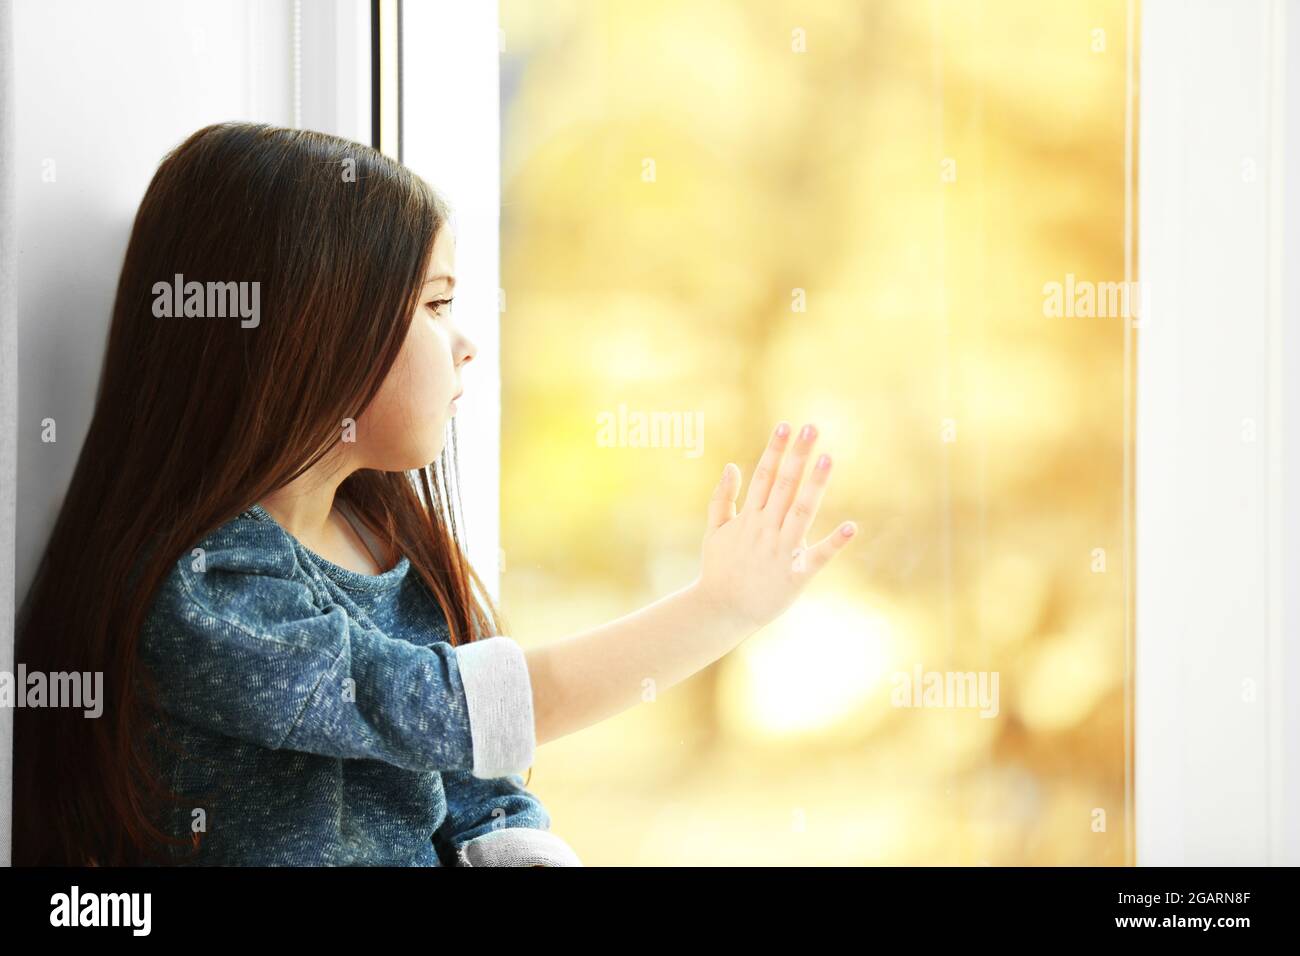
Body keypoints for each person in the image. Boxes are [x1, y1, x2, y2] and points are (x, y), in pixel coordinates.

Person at [12, 122, 857, 866]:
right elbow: (448, 716)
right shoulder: (210, 592)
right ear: (312, 327)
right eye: (438, 303)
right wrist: (717, 610)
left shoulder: (389, 542)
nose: (466, 344)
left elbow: (478, 793)